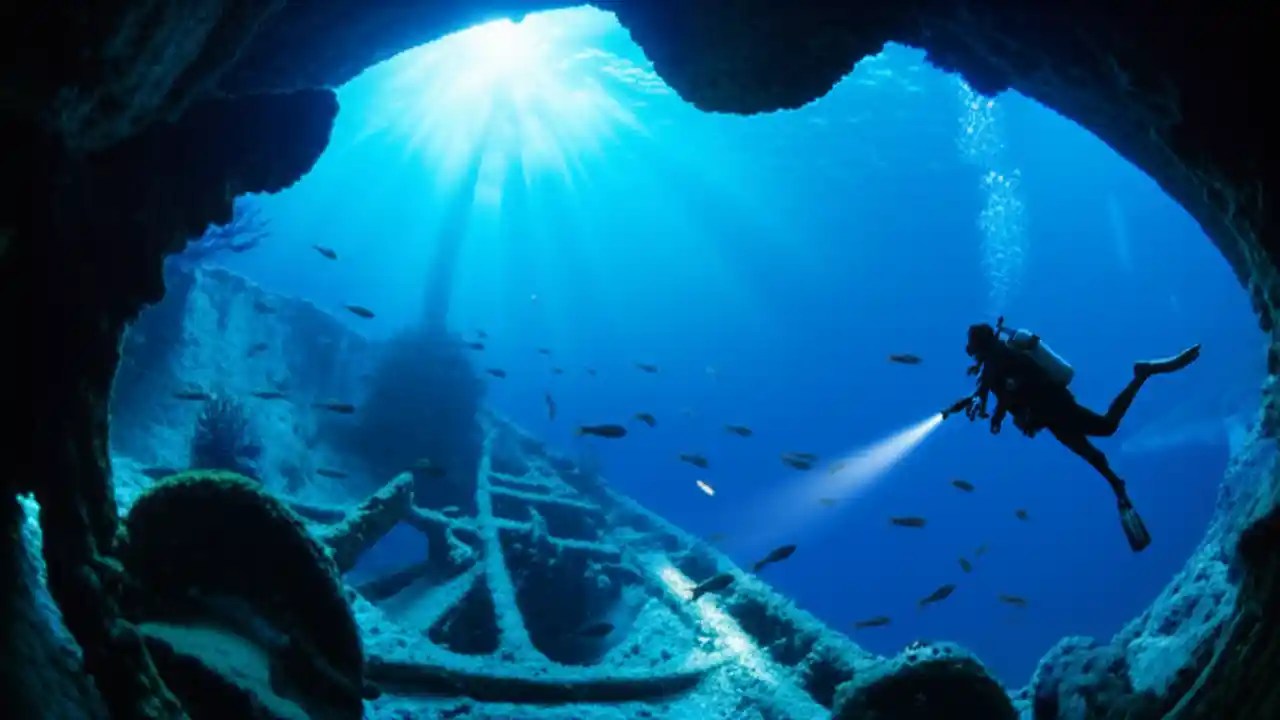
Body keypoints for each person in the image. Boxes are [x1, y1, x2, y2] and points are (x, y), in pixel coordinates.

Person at [944, 321, 1201, 552]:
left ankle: (1141, 375)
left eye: (971, 343)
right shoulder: (997, 360)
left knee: (1106, 427)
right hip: (1049, 416)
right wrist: (969, 407)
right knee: (1092, 452)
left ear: (980, 344)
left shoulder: (997, 358)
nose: (969, 349)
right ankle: (1117, 488)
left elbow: (992, 387)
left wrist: (990, 409)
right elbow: (991, 389)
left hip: (1054, 409)